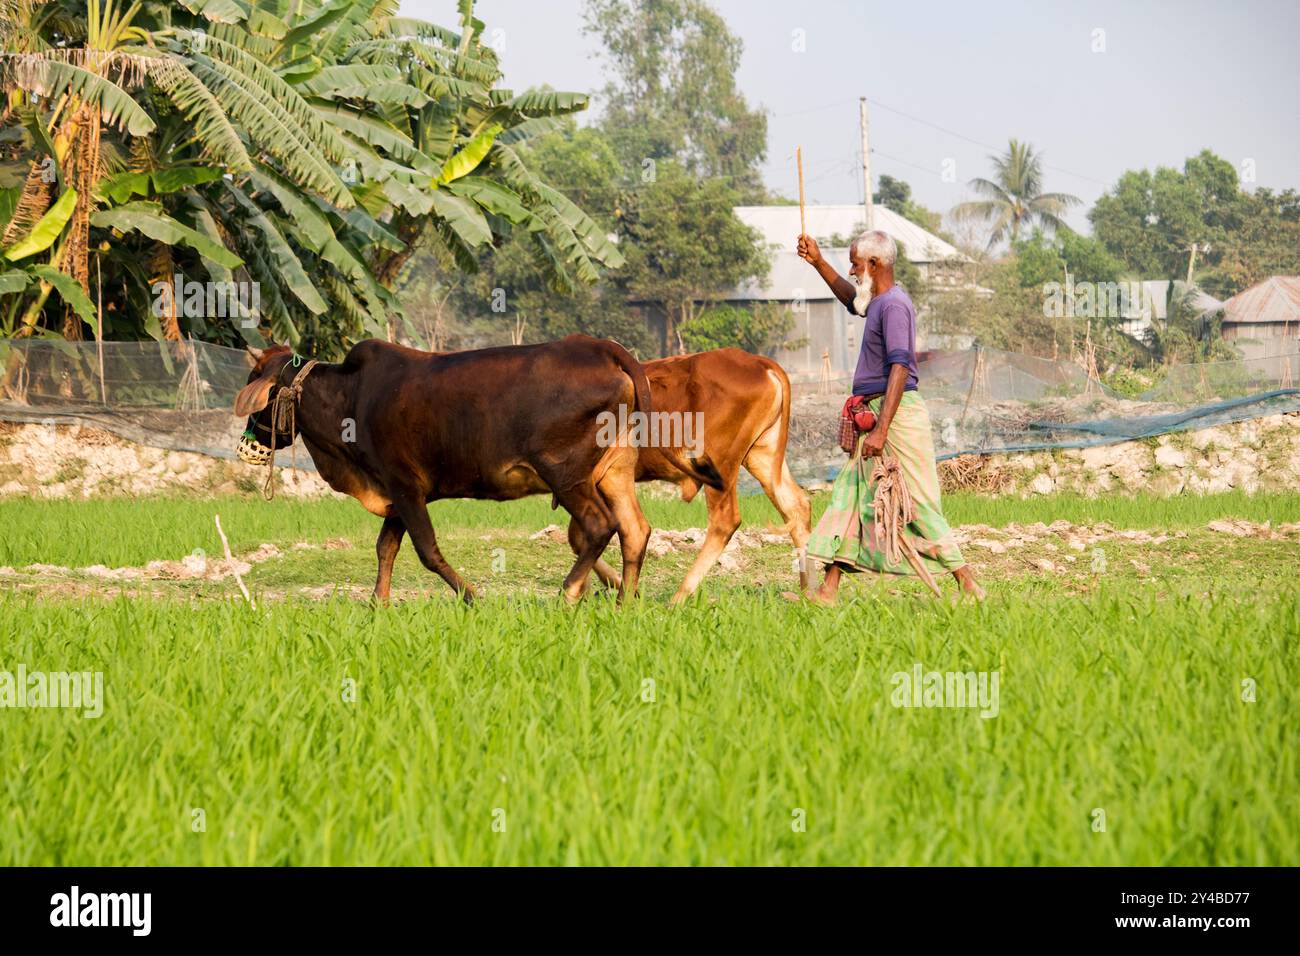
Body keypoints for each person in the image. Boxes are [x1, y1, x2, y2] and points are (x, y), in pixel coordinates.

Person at [793, 229, 984, 603]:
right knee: (852, 495)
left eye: (855, 263)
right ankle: (829, 590)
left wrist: (881, 430)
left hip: (894, 416)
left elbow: (900, 367)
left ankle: (968, 582)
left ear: (875, 264)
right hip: (876, 412)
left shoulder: (894, 305)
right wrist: (817, 262)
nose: (851, 270)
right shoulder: (877, 302)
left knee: (914, 500)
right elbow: (853, 302)